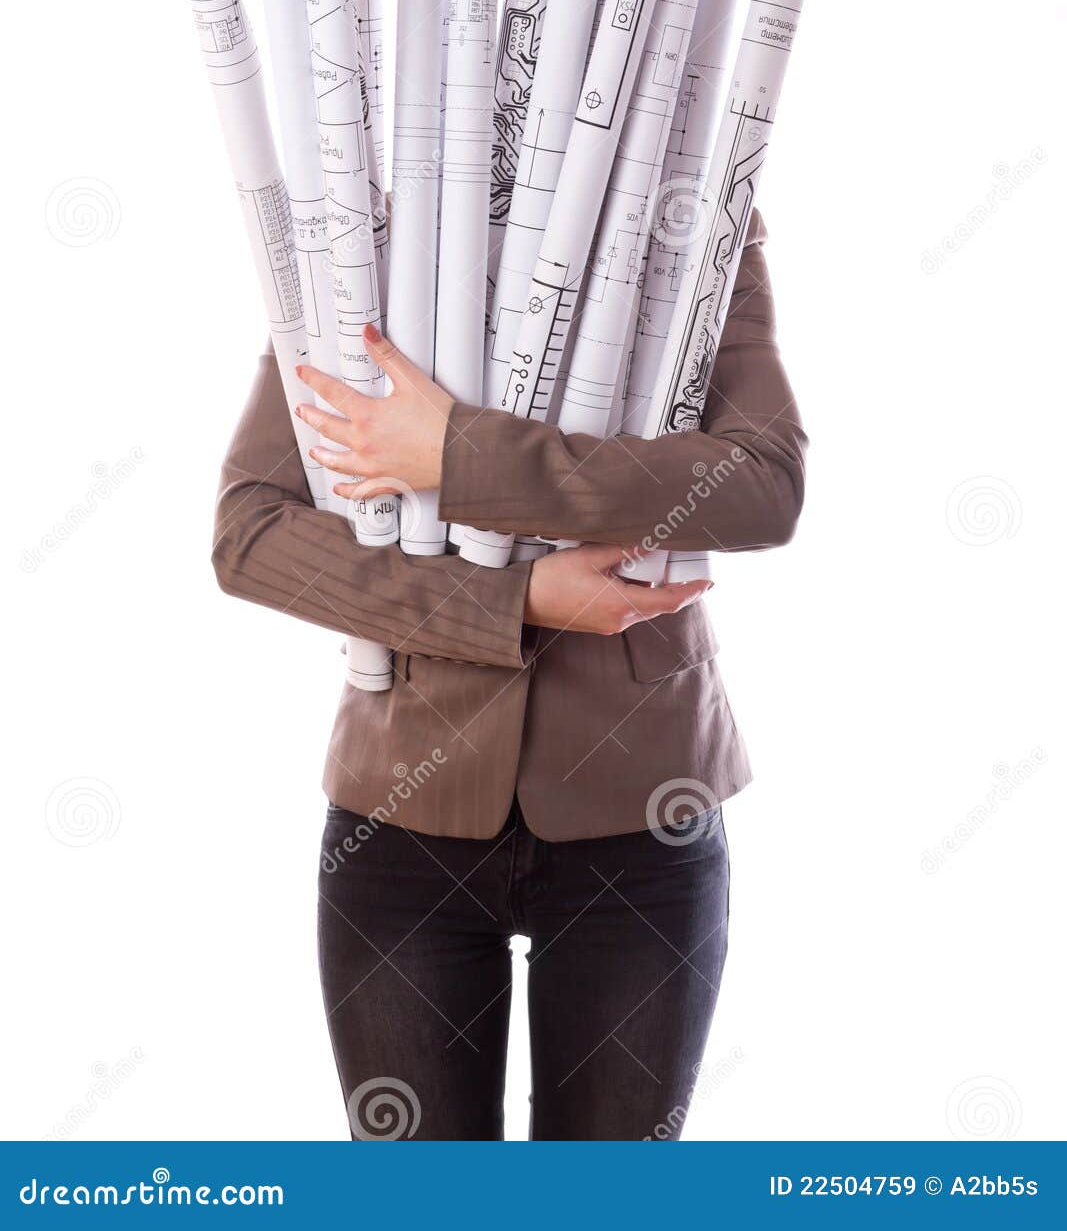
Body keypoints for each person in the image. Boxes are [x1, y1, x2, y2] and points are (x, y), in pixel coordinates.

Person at [212, 208, 805, 1140]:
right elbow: (250, 536)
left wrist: (458, 455)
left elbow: (763, 486)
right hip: (400, 824)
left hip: (645, 815)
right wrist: (516, 598)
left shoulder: (682, 200)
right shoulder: (369, 229)